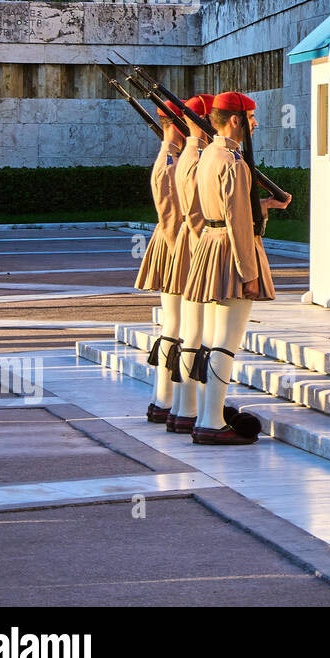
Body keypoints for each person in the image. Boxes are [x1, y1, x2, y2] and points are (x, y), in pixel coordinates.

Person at [182, 91, 290, 445]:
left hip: (212, 246)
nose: (255, 124)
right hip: (231, 249)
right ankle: (212, 422)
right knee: (225, 344)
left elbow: (219, 208)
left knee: (214, 340)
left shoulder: (209, 155)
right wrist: (250, 273)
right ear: (235, 120)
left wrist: (264, 203)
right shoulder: (233, 161)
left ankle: (205, 414)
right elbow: (239, 221)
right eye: (252, 118)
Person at [162, 93, 215, 435]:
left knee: (187, 331)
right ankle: (191, 409)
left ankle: (180, 405)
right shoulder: (192, 158)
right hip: (196, 246)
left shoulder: (183, 156)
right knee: (196, 333)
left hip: (188, 244)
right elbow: (187, 212)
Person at [134, 101, 185, 422]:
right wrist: (183, 256)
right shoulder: (170, 159)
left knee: (176, 325)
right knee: (176, 325)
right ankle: (166, 400)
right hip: (174, 244)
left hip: (176, 243)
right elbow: (170, 216)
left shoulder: (175, 155)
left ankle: (165, 399)